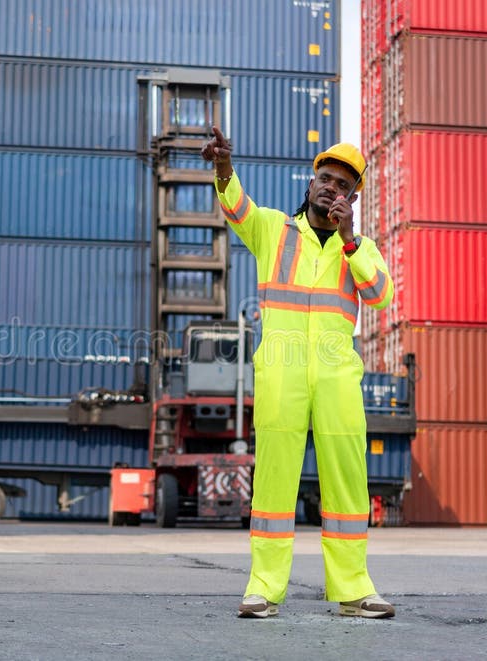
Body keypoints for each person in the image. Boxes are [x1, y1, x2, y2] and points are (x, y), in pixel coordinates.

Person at [200, 127, 396, 619]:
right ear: (310, 185)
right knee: (273, 483)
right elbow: (236, 207)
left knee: (349, 483)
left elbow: (380, 296)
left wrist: (350, 242)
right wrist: (224, 167)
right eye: (325, 179)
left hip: (336, 379)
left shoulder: (360, 248)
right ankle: (263, 588)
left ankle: (352, 590)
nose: (332, 188)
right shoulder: (272, 230)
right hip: (281, 375)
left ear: (351, 199)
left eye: (343, 185)